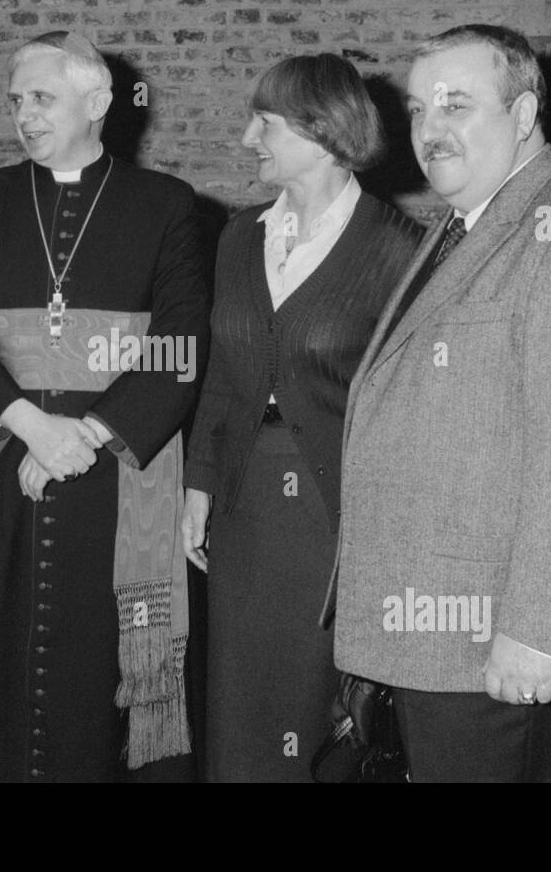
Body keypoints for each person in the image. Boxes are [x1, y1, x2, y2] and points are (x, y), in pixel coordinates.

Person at [325, 24, 551, 782]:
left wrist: (537, 632)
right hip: (435, 632)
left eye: (456, 105)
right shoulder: (464, 225)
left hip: (495, 647)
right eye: (416, 109)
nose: (429, 131)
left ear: (524, 112)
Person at [0, 31, 209, 782]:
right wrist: (30, 427)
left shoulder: (166, 204)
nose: (24, 115)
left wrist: (85, 433)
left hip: (111, 480)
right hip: (1, 468)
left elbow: (180, 344)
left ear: (99, 101)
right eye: (16, 101)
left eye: (42, 98)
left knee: (93, 671)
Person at [179, 55, 421, 782]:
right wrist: (199, 482)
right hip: (244, 498)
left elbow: (407, 410)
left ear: (322, 133)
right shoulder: (239, 235)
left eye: (267, 122)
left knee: (315, 701)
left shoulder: (397, 248)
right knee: (234, 689)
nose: (248, 135)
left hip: (333, 507)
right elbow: (223, 371)